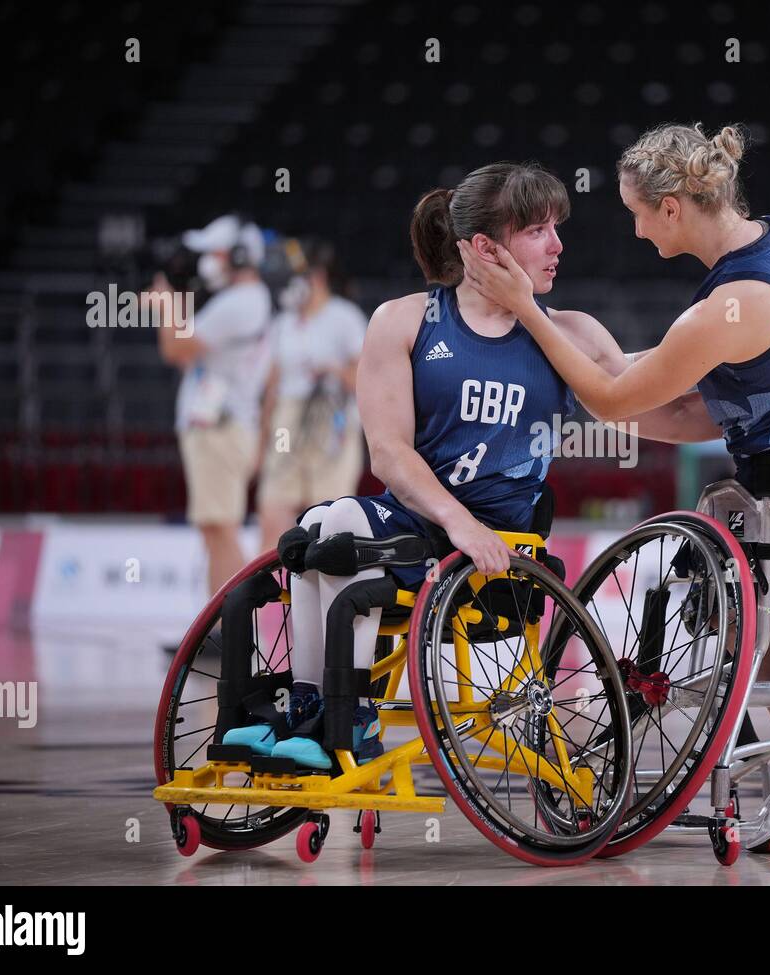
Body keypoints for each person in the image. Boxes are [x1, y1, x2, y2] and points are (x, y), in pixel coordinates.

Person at [458, 122, 770, 854]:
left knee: (719, 560)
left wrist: (530, 313)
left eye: (636, 211)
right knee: (670, 430)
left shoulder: (724, 309)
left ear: (673, 209)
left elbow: (617, 401)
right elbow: (695, 397)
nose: (633, 227)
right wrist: (592, 366)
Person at [223, 161, 677, 769]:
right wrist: (456, 522)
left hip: (502, 552)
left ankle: (337, 717)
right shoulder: (404, 320)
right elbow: (389, 452)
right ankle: (318, 711)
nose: (557, 244)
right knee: (317, 532)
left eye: (555, 227)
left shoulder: (572, 332)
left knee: (338, 531)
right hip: (418, 526)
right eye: (538, 229)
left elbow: (656, 405)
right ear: (485, 248)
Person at [156, 215, 271, 598]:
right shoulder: (241, 301)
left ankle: (236, 627)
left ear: (238, 256)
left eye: (215, 253)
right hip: (218, 426)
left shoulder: (241, 302)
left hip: (220, 428)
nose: (208, 262)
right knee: (214, 529)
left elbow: (176, 348)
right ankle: (217, 630)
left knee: (221, 529)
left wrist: (166, 303)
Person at [256, 239, 368, 554]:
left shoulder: (345, 317)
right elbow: (272, 385)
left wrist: (333, 370)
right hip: (287, 422)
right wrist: (263, 437)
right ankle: (266, 601)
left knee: (326, 517)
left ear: (315, 277)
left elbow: (365, 377)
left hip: (330, 421)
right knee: (273, 510)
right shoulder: (283, 323)